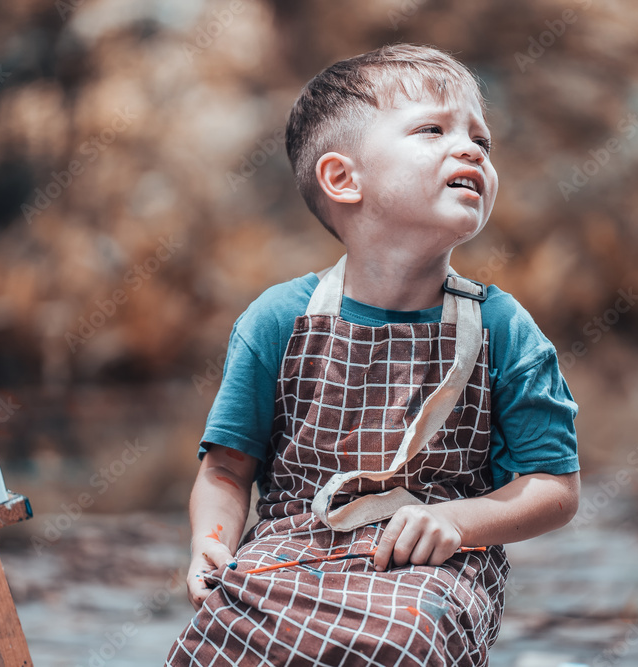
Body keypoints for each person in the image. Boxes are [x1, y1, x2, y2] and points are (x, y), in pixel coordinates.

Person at [167, 44, 580, 666]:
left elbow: (554, 487)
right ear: (343, 178)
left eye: (481, 140)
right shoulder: (280, 319)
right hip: (289, 554)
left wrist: (461, 522)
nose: (470, 148)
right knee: (215, 637)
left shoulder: (502, 327)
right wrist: (210, 543)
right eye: (432, 129)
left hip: (432, 565)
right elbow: (226, 471)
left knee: (401, 638)